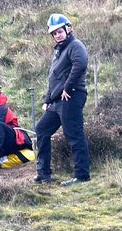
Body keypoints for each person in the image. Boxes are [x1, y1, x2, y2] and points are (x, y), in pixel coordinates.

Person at [33, 13, 90, 186]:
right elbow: (54, 77)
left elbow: (80, 64)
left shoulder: (75, 45)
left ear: (68, 29)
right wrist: (48, 99)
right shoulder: (59, 51)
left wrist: (67, 87)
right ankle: (44, 174)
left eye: (59, 31)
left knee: (74, 134)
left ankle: (82, 176)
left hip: (71, 95)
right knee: (42, 129)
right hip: (57, 101)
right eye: (54, 33)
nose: (57, 35)